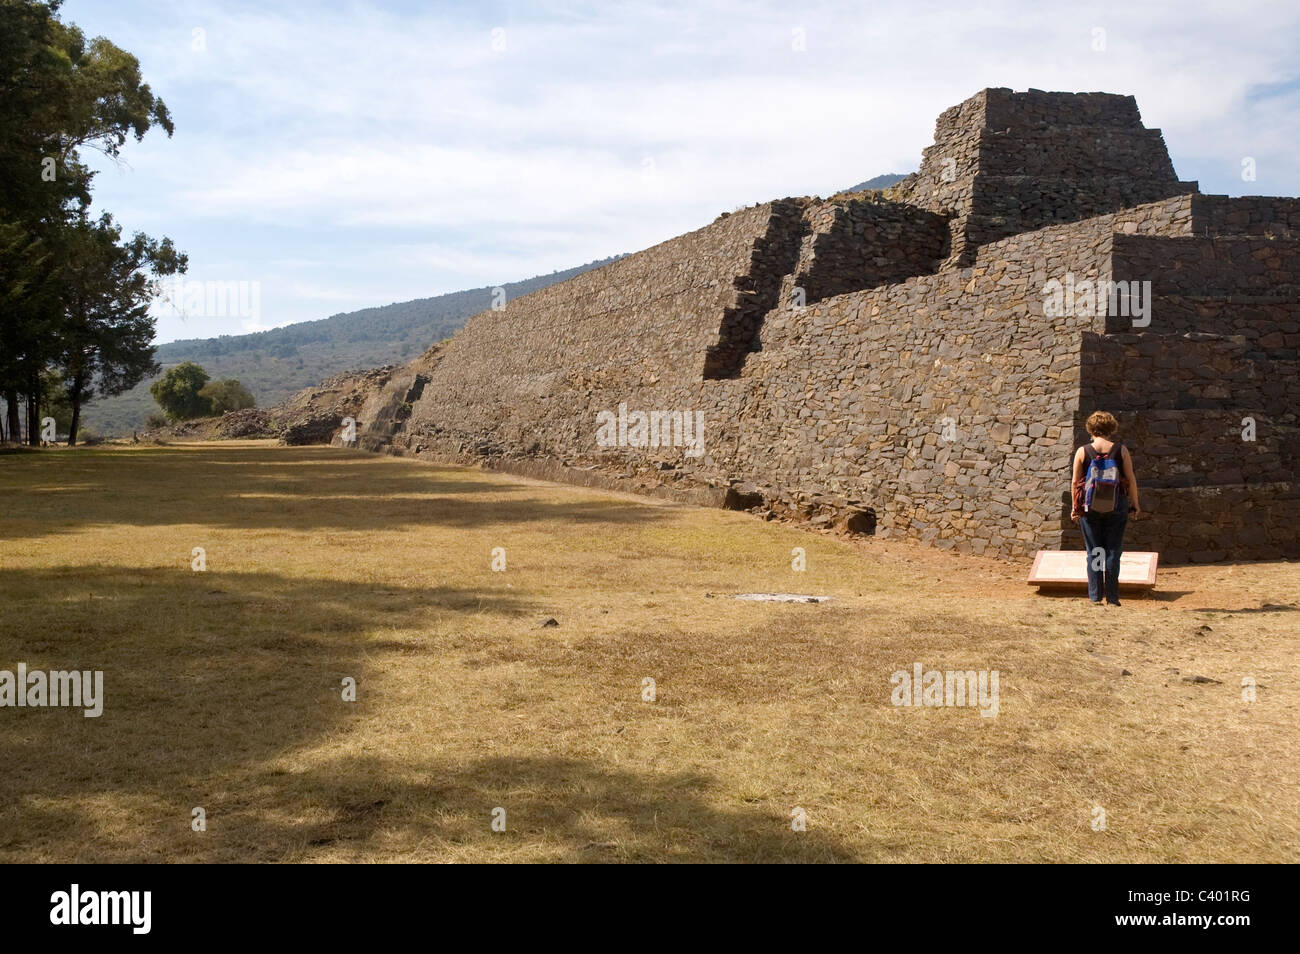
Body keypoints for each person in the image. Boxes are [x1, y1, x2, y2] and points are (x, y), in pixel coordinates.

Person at [1070, 411, 1141, 606]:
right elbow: (1131, 480)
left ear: (1090, 429)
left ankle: (1094, 596)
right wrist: (1135, 504)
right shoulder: (1121, 450)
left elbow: (1076, 482)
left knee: (1094, 551)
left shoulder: (1083, 451)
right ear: (1111, 429)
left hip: (1089, 507)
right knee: (1112, 552)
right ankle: (1112, 597)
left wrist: (1075, 508)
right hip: (1116, 505)